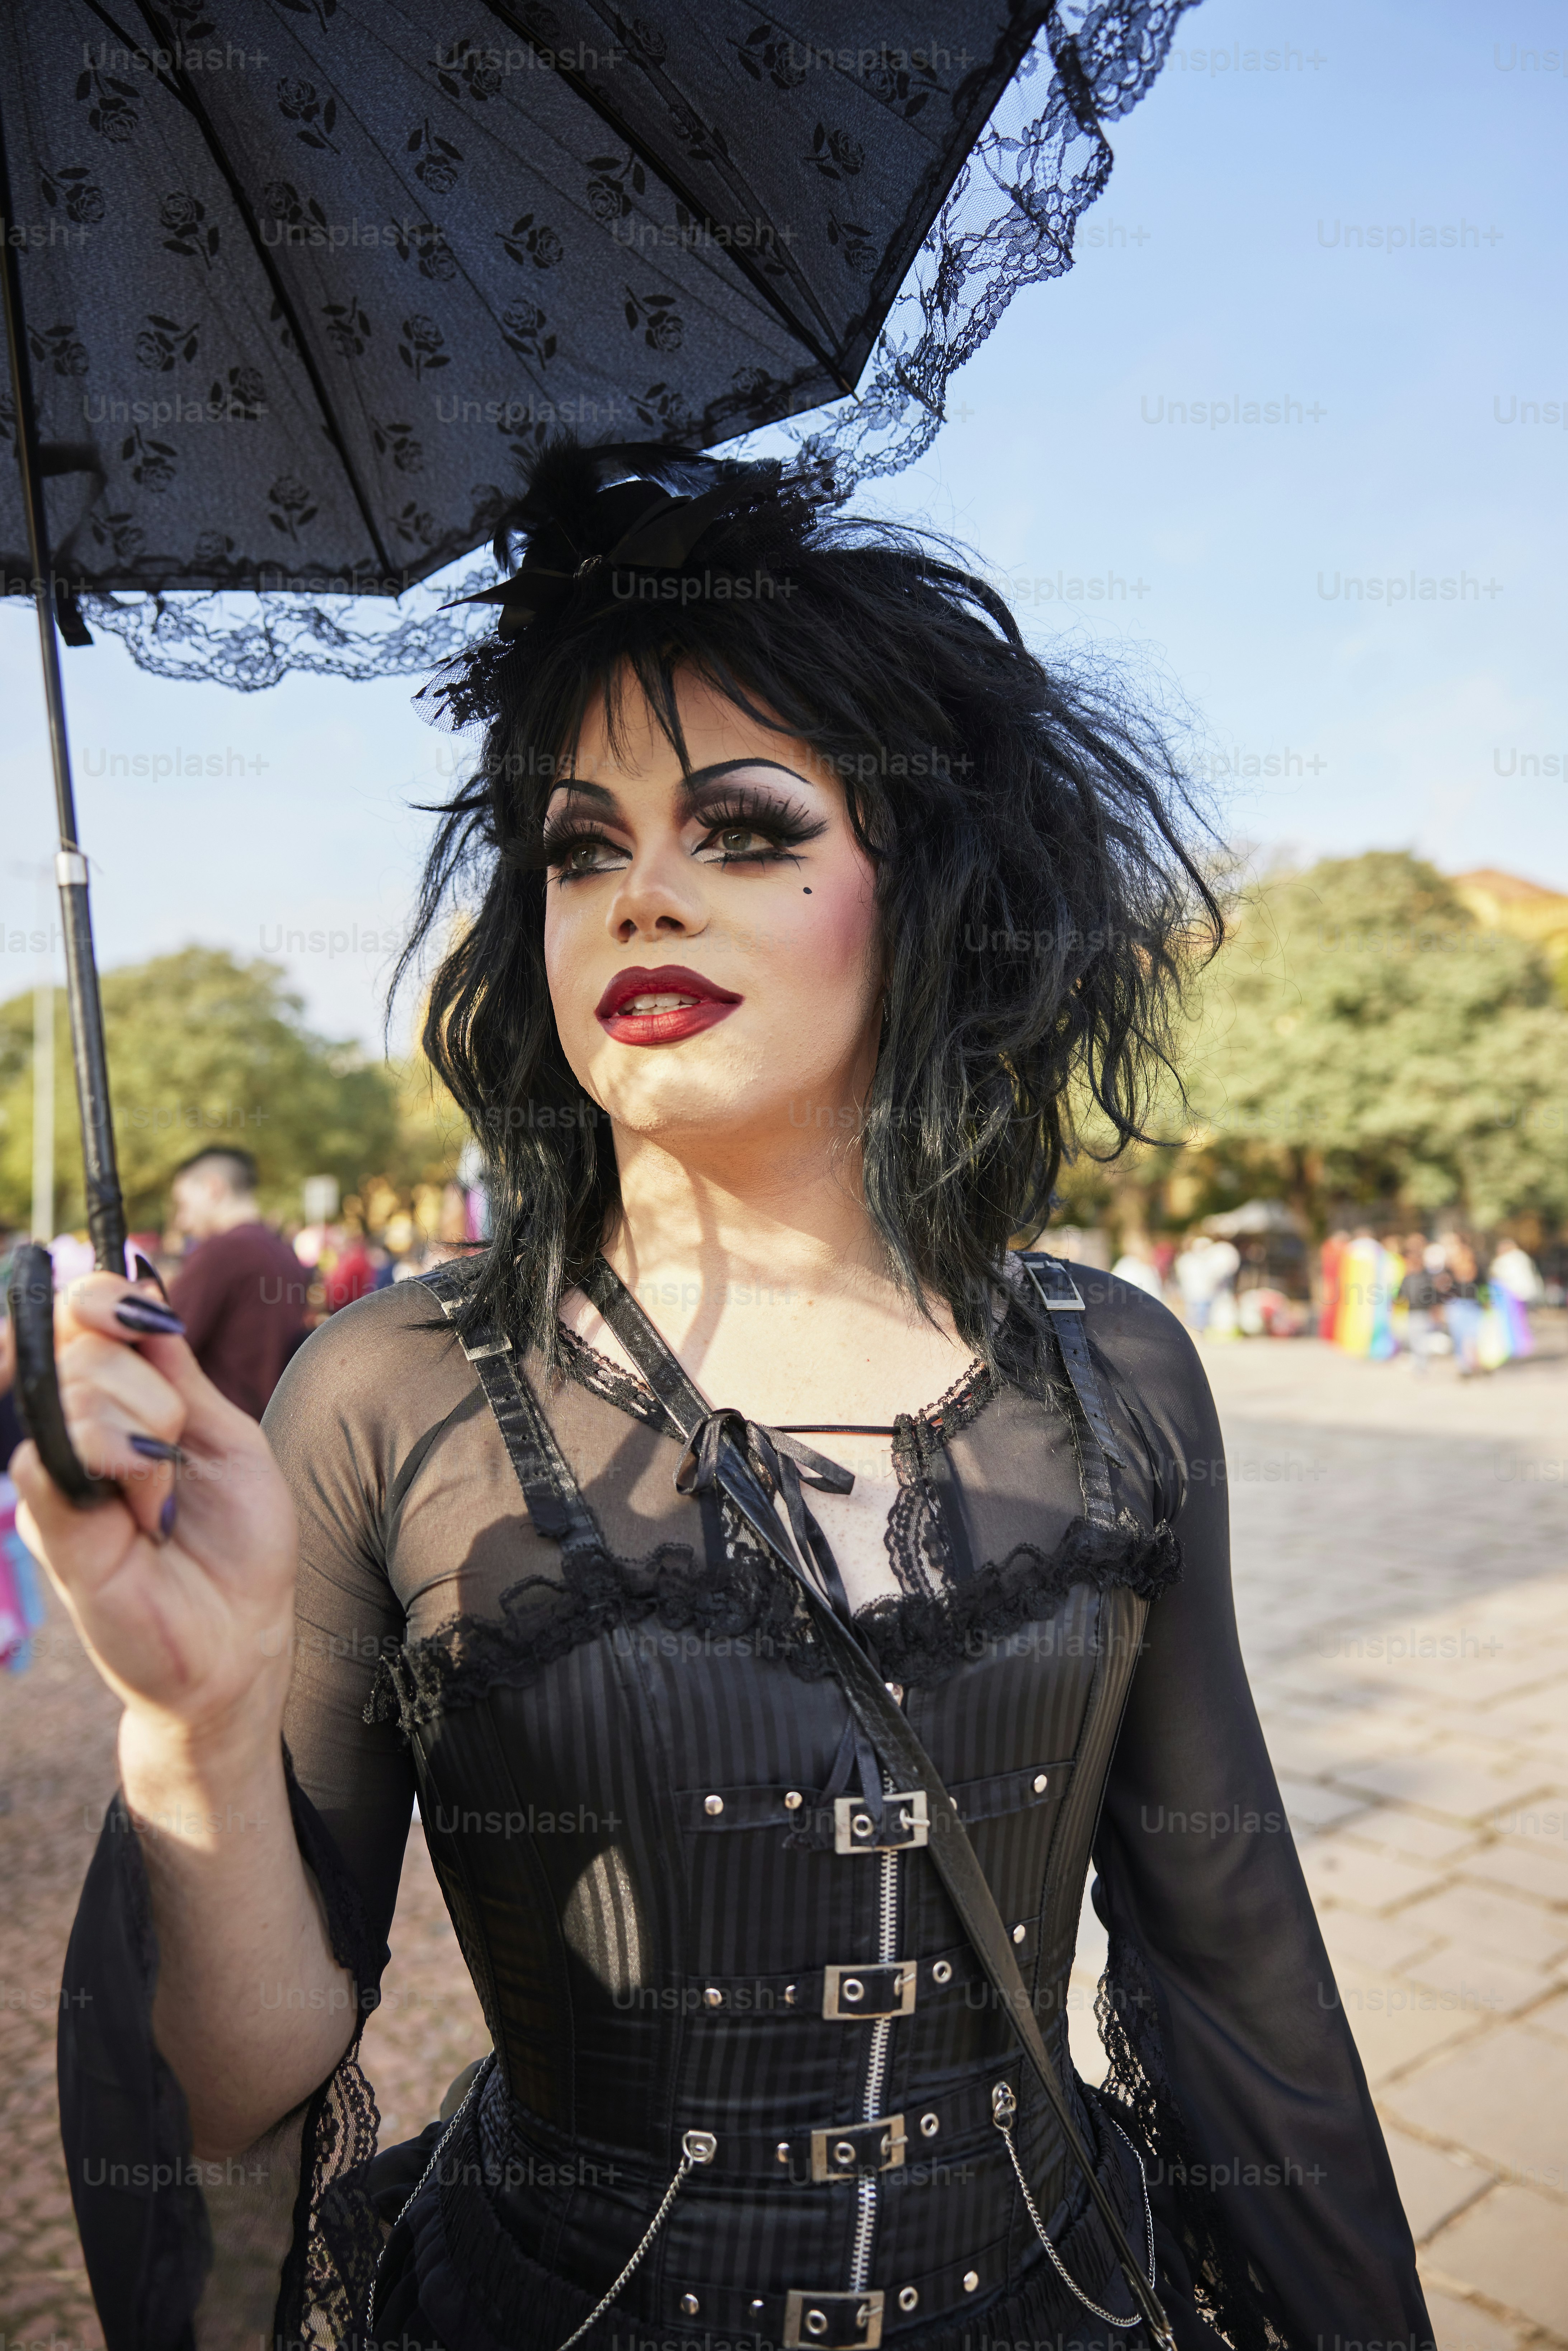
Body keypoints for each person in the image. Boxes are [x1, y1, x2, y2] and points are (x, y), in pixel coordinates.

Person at [17, 442, 1430, 2351]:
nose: (642, 893)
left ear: (916, 881)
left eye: (741, 826)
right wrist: (190, 1725)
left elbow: (1242, 1966)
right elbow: (233, 2079)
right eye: (582, 842)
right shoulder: (389, 1391)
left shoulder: (1122, 1372)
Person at [165, 1146, 310, 1418]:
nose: (181, 1221)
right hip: (274, 1426)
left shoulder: (221, 1252)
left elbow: (167, 1345)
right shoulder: (284, 1252)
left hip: (219, 1431)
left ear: (213, 1188)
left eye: (183, 1205)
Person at [1442, 1234, 1485, 1377]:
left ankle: (1469, 1365)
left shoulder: (1470, 1265)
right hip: (1462, 1304)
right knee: (1466, 1337)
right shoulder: (1451, 1266)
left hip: (1464, 1304)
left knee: (1468, 1337)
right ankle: (1470, 1365)